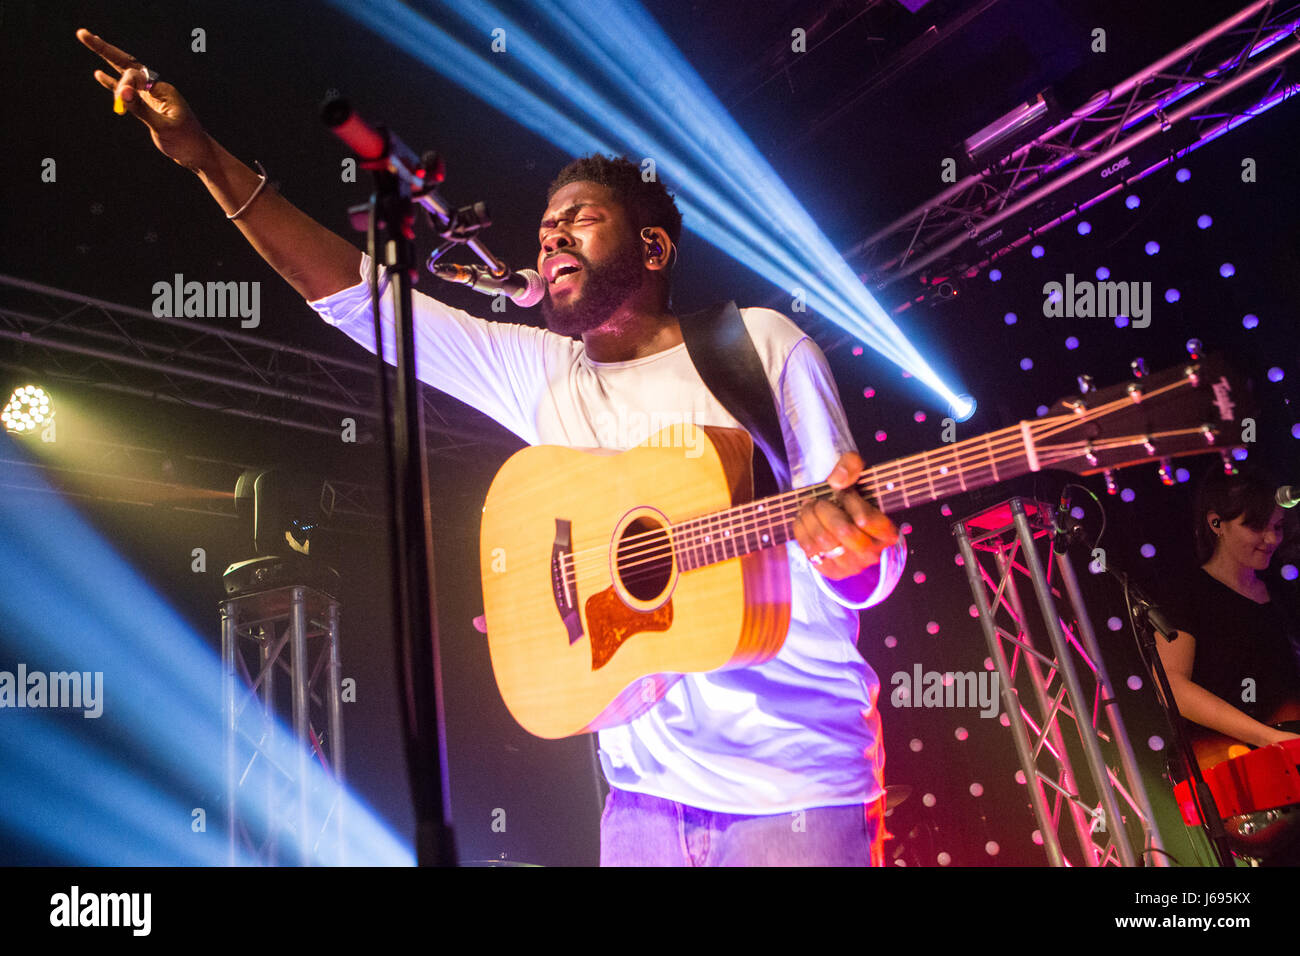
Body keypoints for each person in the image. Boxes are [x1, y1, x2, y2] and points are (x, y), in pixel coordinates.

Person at [78, 28, 908, 866]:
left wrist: (855, 555)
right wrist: (205, 159)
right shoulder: (540, 370)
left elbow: (859, 555)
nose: (550, 241)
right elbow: (354, 297)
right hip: (641, 805)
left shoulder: (755, 347)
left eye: (579, 222)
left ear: (652, 249)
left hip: (799, 794)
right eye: (545, 231)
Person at [1156, 463, 1300, 752]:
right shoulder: (1186, 592)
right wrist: (1267, 737)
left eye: (1277, 527)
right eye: (1257, 526)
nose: (1271, 539)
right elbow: (1171, 685)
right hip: (1231, 759)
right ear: (1216, 524)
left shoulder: (1282, 592)